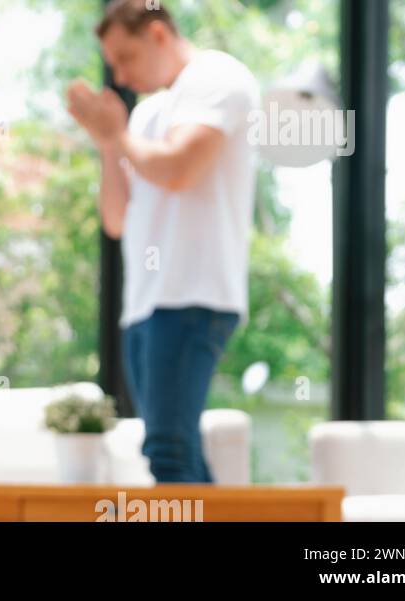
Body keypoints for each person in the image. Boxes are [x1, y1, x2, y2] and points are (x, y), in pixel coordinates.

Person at [66, 0, 259, 482]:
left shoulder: (217, 78)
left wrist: (120, 137)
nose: (120, 75)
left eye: (125, 57)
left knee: (167, 449)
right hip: (145, 306)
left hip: (193, 294)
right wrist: (109, 142)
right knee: (181, 452)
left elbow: (177, 170)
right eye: (113, 65)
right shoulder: (148, 112)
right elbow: (116, 219)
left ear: (157, 34)